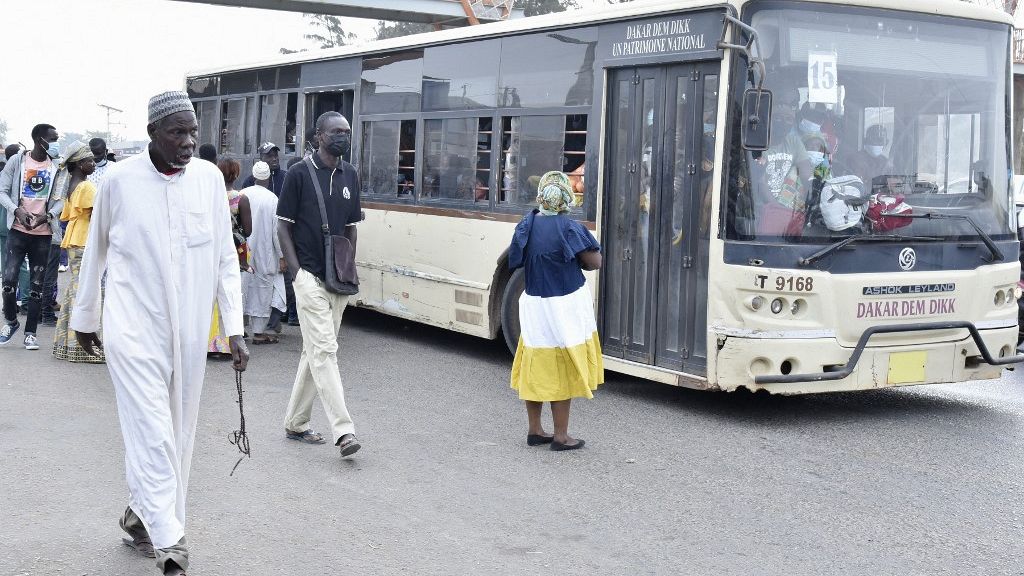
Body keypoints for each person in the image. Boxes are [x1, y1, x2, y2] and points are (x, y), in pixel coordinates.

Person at [71, 90, 248, 576]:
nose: (188, 142)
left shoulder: (208, 180)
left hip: (189, 330)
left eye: (193, 132)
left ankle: (140, 513)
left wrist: (234, 328)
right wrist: (85, 318)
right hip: (131, 325)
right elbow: (96, 250)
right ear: (152, 133)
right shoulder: (119, 181)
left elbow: (224, 257)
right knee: (151, 427)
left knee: (177, 430)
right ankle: (171, 539)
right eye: (177, 132)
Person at [278, 110, 362, 458]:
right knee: (325, 350)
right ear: (319, 137)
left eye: (347, 132)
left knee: (313, 352)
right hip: (309, 277)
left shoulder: (350, 174)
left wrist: (348, 264)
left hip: (338, 279)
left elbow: (352, 227)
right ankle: (344, 430)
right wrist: (297, 273)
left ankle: (296, 422)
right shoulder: (299, 174)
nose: (343, 137)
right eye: (336, 132)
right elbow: (283, 226)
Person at [508, 171, 603, 451]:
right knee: (562, 365)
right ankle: (561, 436)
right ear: (566, 197)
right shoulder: (569, 227)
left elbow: (516, 259)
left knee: (536, 363)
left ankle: (535, 430)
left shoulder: (526, 224)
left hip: (534, 304)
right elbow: (594, 262)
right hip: (563, 305)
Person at [0, 123, 65, 349]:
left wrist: (47, 216)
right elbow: (2, 191)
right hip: (18, 231)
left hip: (43, 234)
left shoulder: (57, 166)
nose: (56, 143)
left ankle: (30, 333)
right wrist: (16, 210)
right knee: (8, 281)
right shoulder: (17, 161)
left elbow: (61, 200)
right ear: (39, 139)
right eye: (53, 139)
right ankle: (11, 322)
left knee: (37, 285)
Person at [52, 142, 103, 363]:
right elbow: (96, 215)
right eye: (89, 160)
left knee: (75, 291)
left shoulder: (72, 185)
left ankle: (67, 344)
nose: (94, 164)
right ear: (80, 164)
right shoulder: (86, 187)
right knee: (87, 293)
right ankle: (83, 347)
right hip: (85, 241)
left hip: (75, 240)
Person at [753, 89, 812, 237]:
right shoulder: (757, 143)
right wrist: (779, 211)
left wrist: (813, 198)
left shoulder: (793, 142)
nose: (783, 123)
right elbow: (761, 184)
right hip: (760, 212)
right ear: (768, 119)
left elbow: (806, 174)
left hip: (788, 212)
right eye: (778, 118)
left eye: (788, 119)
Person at [209, 158, 251, 357]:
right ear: (236, 174)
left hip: (212, 250)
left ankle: (211, 343)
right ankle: (227, 342)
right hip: (235, 250)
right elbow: (248, 230)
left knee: (213, 295)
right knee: (231, 295)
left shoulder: (211, 196)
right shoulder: (240, 198)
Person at [242, 161, 286, 343]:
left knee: (242, 289)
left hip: (243, 252)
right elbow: (277, 232)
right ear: (268, 178)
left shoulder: (243, 194)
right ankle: (259, 333)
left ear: (253, 176)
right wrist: (282, 256)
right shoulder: (273, 199)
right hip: (265, 253)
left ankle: (239, 330)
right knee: (262, 291)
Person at [843, 124, 893, 193]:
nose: (876, 143)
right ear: (865, 140)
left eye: (880, 140)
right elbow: (857, 187)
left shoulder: (886, 163)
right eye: (873, 139)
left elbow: (892, 188)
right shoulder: (855, 159)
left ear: (886, 142)